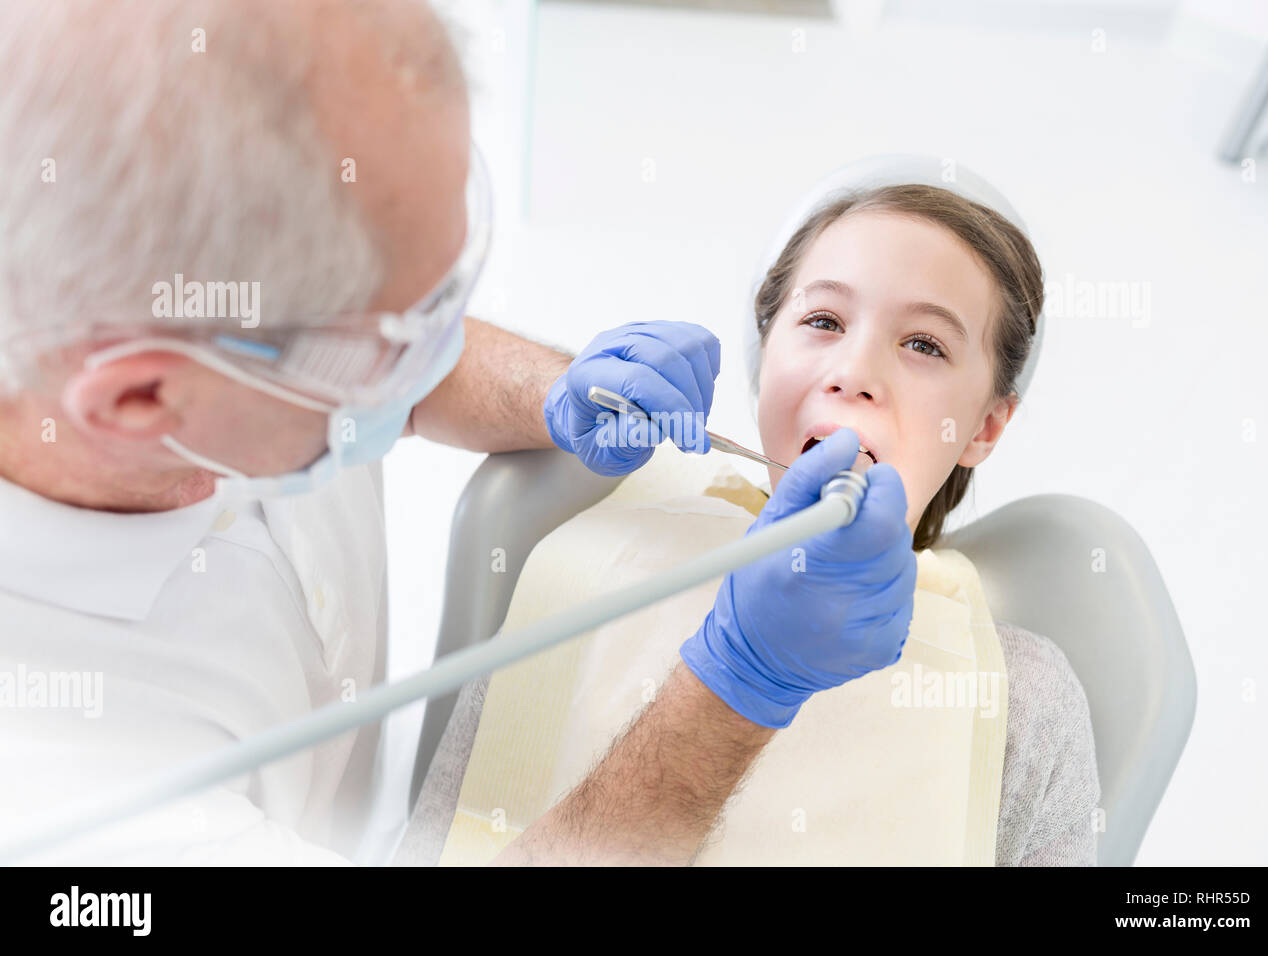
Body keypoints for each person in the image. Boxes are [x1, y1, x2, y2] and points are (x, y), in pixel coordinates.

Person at [0, 0, 915, 867]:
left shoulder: (202, 313)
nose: (447, 343)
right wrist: (741, 687)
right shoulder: (79, 813)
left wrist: (554, 391)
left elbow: (389, 345)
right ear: (137, 403)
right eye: (403, 334)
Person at [404, 182, 1101, 866]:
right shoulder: (591, 561)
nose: (854, 371)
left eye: (923, 343)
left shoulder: (1023, 700)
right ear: (762, 363)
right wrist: (742, 675)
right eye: (824, 321)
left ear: (984, 426)